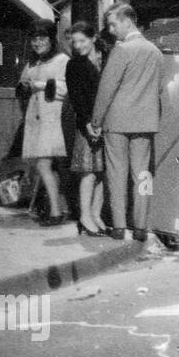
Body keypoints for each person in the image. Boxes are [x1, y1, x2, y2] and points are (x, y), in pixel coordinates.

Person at [88, 4, 165, 242]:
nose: (111, 30)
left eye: (113, 24)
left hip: (117, 121)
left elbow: (106, 89)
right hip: (145, 121)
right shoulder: (155, 51)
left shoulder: (121, 50)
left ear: (127, 22)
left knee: (116, 174)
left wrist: (96, 119)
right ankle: (141, 227)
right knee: (143, 175)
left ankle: (119, 226)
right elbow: (159, 88)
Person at [17, 20, 71, 226]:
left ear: (51, 39)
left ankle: (56, 212)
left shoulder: (61, 60)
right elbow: (24, 84)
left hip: (53, 118)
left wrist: (39, 85)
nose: (37, 42)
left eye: (42, 38)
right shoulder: (32, 63)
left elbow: (66, 87)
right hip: (36, 119)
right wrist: (23, 86)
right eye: (34, 39)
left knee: (44, 164)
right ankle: (57, 208)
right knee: (44, 165)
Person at [65, 21, 108, 236]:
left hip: (107, 122)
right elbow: (76, 98)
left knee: (102, 172)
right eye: (75, 42)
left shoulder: (106, 58)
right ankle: (84, 216)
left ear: (93, 38)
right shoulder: (74, 65)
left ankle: (96, 213)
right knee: (88, 172)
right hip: (88, 124)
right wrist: (86, 123)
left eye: (82, 40)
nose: (78, 45)